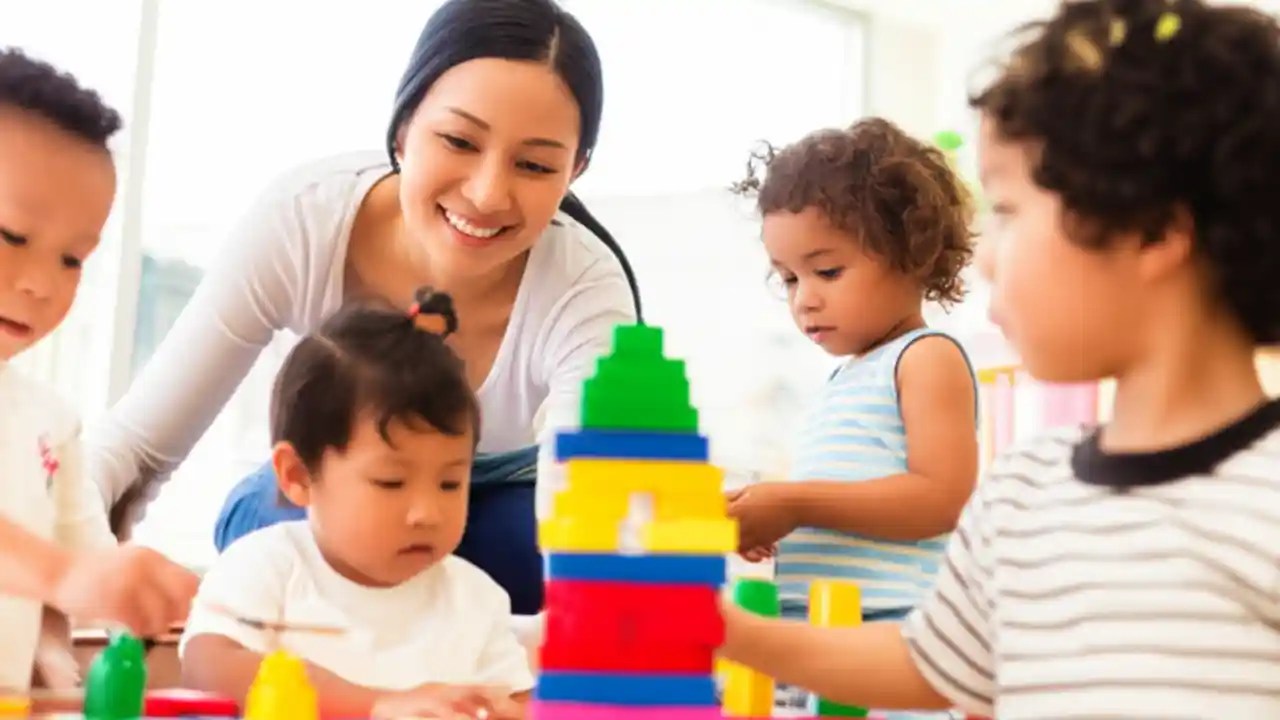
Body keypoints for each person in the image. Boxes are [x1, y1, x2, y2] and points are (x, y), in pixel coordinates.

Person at [718, 1, 1280, 717]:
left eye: (1009, 212)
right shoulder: (1021, 493)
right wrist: (723, 629)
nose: (981, 259)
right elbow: (928, 667)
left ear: (1150, 231)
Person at [85, 0, 640, 614]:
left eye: (534, 165)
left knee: (524, 546)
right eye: (458, 140)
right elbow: (137, 449)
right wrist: (67, 571)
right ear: (403, 128)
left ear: (576, 170)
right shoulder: (305, 219)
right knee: (272, 520)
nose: (487, 194)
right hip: (329, 514)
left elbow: (583, 506)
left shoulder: (586, 289)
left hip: (496, 538)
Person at [725, 118, 979, 716]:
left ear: (910, 255)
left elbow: (940, 498)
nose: (803, 298)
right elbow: (849, 500)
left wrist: (796, 504)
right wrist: (777, 522)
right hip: (824, 644)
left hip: (893, 650)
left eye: (827, 272)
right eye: (788, 278)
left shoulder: (926, 358)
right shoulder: (844, 379)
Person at [181, 289, 531, 720]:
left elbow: (517, 704)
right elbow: (209, 668)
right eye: (391, 481)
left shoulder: (476, 599)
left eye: (449, 482)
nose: (427, 512)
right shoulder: (266, 567)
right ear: (297, 475)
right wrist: (378, 706)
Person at [0, 47, 199, 690]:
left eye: (73, 259)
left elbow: (91, 565)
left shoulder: (47, 424)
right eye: (10, 236)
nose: (40, 284)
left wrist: (152, 592)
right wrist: (61, 575)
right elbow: (63, 570)